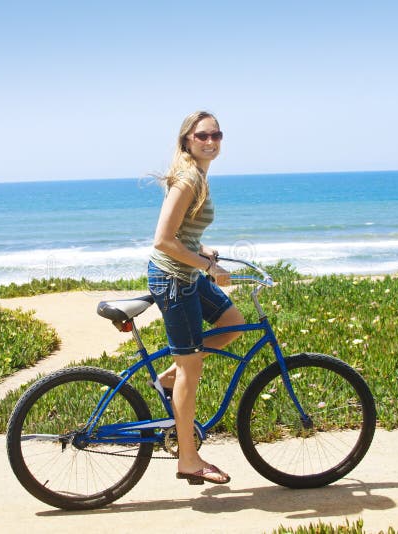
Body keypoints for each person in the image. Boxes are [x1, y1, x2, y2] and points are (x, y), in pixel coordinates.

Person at [148, 110, 245, 485]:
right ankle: (188, 459)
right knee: (193, 367)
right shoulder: (188, 178)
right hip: (174, 279)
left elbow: (181, 235)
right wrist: (206, 267)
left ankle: (171, 377)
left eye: (217, 135)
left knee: (233, 322)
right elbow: (162, 240)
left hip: (185, 271)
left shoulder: (199, 175)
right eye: (203, 135)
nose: (211, 141)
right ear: (187, 139)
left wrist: (203, 251)